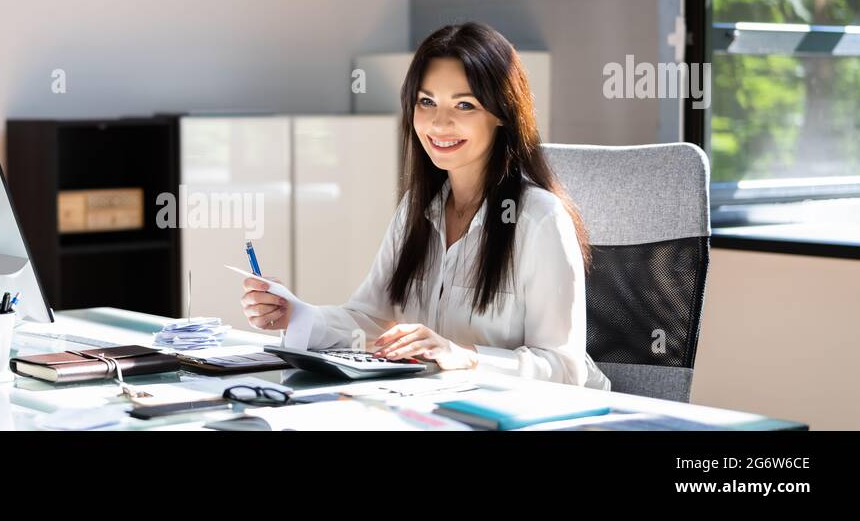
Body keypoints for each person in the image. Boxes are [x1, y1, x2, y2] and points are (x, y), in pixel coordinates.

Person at [241, 22, 610, 390]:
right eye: (427, 102)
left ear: (502, 114)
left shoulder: (540, 220)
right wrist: (296, 315)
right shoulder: (417, 210)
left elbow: (564, 369)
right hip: (435, 404)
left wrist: (464, 356)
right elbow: (372, 318)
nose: (439, 123)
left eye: (464, 105)